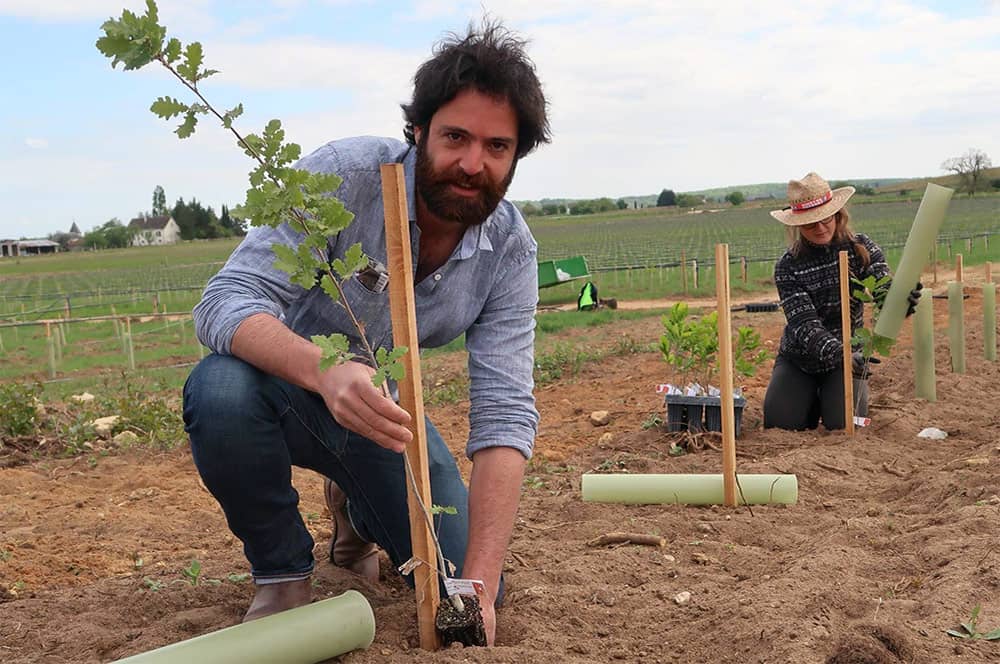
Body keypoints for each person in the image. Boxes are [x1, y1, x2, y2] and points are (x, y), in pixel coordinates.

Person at [182, 20, 550, 645]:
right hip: (281, 392)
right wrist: (325, 372)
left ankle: (354, 515)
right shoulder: (342, 177)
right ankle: (282, 572)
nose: (472, 164)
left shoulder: (509, 252)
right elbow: (223, 302)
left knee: (459, 583)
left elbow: (505, 412)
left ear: (516, 156)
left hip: (383, 416)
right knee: (218, 389)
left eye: (497, 146)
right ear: (419, 130)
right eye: (455, 137)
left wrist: (481, 586)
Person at [762, 172, 920, 430]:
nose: (820, 228)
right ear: (798, 225)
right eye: (810, 224)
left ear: (837, 215)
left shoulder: (861, 248)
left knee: (846, 425)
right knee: (779, 423)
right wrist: (841, 354)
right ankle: (810, 399)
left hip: (851, 357)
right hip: (801, 359)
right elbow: (805, 325)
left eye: (826, 219)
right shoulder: (788, 266)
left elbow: (883, 288)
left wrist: (901, 302)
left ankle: (829, 399)